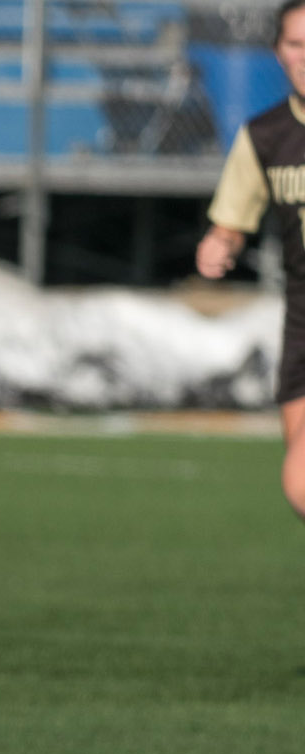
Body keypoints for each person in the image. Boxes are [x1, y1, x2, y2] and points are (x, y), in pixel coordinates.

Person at [198, 0, 305, 517]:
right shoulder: (265, 135)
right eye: (296, 44)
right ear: (277, 53)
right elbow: (233, 221)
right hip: (302, 324)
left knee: (302, 480)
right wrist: (221, 243)